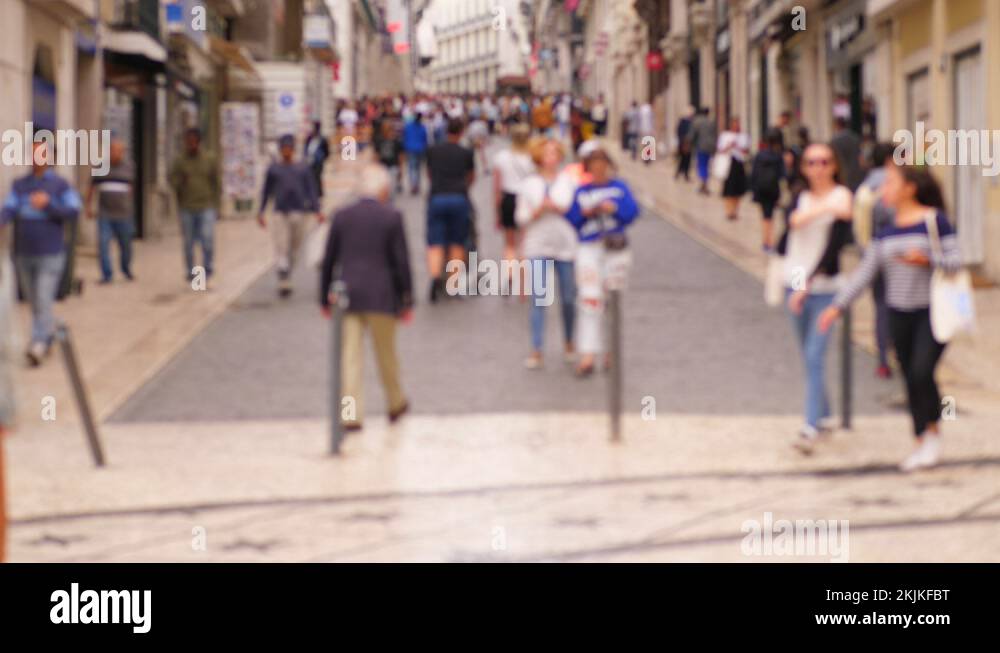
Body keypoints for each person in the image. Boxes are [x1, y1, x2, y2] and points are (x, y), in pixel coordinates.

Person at [819, 164, 960, 472]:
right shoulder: (885, 233)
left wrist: (928, 260)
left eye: (890, 183)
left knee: (923, 372)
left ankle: (933, 433)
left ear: (909, 188)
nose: (883, 189)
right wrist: (836, 306)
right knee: (910, 377)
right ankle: (921, 438)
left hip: (932, 313)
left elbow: (955, 261)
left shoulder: (935, 222)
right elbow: (865, 273)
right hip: (897, 314)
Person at [320, 164, 412, 432]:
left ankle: (351, 415)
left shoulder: (342, 215)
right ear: (383, 189)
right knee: (387, 355)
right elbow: (401, 262)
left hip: (348, 295)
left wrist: (323, 297)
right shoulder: (391, 216)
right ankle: (395, 403)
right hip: (382, 296)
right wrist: (407, 298)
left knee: (350, 358)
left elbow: (329, 260)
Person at [781, 143, 853, 452]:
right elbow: (793, 225)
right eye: (811, 162)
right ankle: (824, 415)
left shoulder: (842, 195)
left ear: (834, 165)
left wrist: (807, 286)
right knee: (807, 355)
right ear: (804, 168)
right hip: (795, 279)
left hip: (826, 287)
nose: (818, 168)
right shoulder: (799, 196)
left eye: (824, 162)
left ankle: (810, 426)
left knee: (814, 354)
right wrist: (798, 287)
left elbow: (839, 232)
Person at [1, 141, 81, 366]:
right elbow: (8, 208)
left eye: (42, 153)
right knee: (35, 300)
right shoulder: (20, 185)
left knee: (43, 297)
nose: (37, 157)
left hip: (51, 253)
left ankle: (38, 344)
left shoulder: (60, 185)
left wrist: (48, 205)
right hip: (24, 254)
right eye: (34, 152)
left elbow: (74, 210)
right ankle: (50, 331)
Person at [565, 147, 640, 377]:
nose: (598, 168)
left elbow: (632, 213)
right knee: (589, 299)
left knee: (612, 300)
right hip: (589, 247)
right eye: (593, 163)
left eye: (602, 163)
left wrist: (613, 208)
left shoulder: (619, 187)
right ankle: (588, 353)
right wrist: (585, 213)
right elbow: (571, 218)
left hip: (615, 248)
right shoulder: (581, 190)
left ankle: (611, 350)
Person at [515, 138, 577, 369]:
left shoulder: (567, 181)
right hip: (537, 244)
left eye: (555, 153)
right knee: (539, 299)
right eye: (547, 153)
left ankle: (569, 341)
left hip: (564, 244)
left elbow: (570, 207)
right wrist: (538, 210)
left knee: (568, 298)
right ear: (538, 157)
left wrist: (557, 207)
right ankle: (537, 348)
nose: (551, 157)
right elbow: (520, 217)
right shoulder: (529, 184)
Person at [852, 143, 897, 378]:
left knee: (881, 306)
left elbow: (859, 230)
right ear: (890, 160)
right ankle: (901, 353)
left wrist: (867, 254)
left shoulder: (864, 190)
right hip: (899, 258)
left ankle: (883, 360)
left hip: (873, 255)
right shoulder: (899, 186)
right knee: (900, 306)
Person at [259, 134, 323, 297]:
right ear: (280, 150)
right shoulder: (274, 169)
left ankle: (288, 271)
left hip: (299, 212)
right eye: (284, 148)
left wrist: (317, 210)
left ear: (293, 149)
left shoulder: (302, 168)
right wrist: (261, 211)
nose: (286, 151)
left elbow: (311, 190)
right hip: (280, 212)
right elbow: (266, 191)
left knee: (295, 248)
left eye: (289, 148)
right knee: (282, 246)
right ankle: (283, 277)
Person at [425, 118, 476, 302]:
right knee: (457, 242)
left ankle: (435, 277)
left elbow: (429, 173)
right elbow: (471, 176)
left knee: (435, 242)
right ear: (461, 132)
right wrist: (463, 188)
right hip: (458, 197)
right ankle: (453, 285)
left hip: (437, 196)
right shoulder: (466, 152)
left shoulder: (433, 151)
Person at [169, 127, 219, 284]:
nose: (190, 145)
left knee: (207, 239)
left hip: (206, 206)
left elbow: (216, 182)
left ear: (198, 142)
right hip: (187, 207)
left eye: (193, 142)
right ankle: (192, 273)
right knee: (188, 243)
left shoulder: (209, 159)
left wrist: (216, 204)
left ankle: (207, 270)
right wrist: (180, 181)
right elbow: (172, 180)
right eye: (187, 142)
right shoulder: (180, 160)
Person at [86, 138, 135, 283]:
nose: (115, 154)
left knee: (126, 246)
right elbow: (91, 188)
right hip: (105, 213)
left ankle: (126, 269)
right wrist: (88, 207)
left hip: (124, 214)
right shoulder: (101, 167)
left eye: (118, 151)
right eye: (113, 150)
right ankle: (107, 275)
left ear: (123, 153)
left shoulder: (129, 167)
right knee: (103, 244)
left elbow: (131, 188)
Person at [492, 124, 535, 293]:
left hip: (508, 199)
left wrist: (497, 211)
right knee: (524, 243)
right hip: (526, 199)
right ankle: (523, 285)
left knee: (509, 243)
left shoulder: (501, 157)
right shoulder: (533, 157)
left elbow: (496, 187)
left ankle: (509, 274)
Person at [749, 128, 786, 251]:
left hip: (760, 189)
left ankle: (766, 241)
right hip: (773, 189)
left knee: (765, 215)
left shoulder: (759, 155)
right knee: (770, 216)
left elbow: (753, 174)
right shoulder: (778, 156)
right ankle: (768, 241)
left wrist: (753, 190)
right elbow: (782, 174)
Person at [717, 117, 750, 221]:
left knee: (738, 190)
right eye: (734, 124)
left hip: (739, 164)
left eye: (738, 124)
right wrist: (729, 145)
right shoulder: (725, 136)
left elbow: (746, 151)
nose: (736, 126)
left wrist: (738, 146)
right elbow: (720, 150)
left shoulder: (743, 136)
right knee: (728, 190)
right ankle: (728, 211)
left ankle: (735, 211)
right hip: (728, 164)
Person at [830, 116, 864, 192]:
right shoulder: (855, 138)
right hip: (855, 172)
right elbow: (860, 158)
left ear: (837, 125)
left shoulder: (834, 141)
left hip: (842, 173)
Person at [690, 108, 717, 195]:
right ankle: (704, 184)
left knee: (702, 165)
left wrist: (689, 143)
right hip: (710, 147)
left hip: (701, 146)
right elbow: (715, 135)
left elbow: (692, 134)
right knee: (707, 165)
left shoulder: (697, 122)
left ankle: (704, 184)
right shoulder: (711, 122)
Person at [375, 120, 405, 195]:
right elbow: (377, 155)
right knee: (383, 189)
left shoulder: (397, 141)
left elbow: (400, 156)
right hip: (382, 167)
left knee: (391, 189)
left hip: (393, 167)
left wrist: (401, 168)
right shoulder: (379, 140)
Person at [403, 112, 429, 195]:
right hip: (420, 149)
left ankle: (413, 185)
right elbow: (425, 139)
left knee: (412, 167)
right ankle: (416, 184)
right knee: (417, 168)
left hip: (410, 148)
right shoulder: (422, 127)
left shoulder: (408, 126)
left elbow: (405, 137)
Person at [304, 122, 330, 198]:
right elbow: (306, 147)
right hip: (310, 160)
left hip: (319, 161)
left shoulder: (322, 139)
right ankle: (310, 192)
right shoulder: (309, 138)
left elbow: (326, 150)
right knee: (310, 177)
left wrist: (323, 158)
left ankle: (319, 193)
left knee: (317, 177)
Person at [675, 107, 694, 182]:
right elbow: (680, 133)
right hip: (683, 144)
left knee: (687, 160)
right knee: (683, 159)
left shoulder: (691, 122)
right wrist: (683, 142)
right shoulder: (684, 122)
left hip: (688, 144)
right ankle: (679, 173)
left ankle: (685, 174)